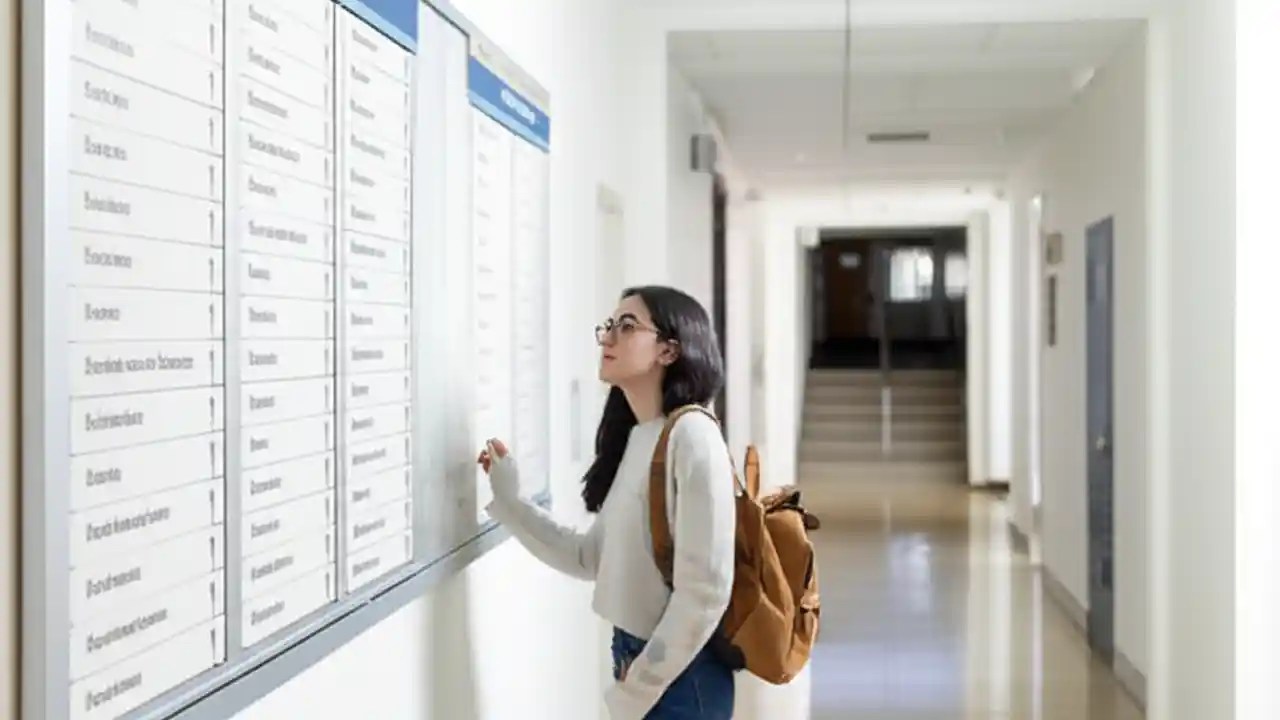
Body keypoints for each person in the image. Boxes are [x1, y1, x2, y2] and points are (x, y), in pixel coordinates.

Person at [477, 285, 737, 719]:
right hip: (641, 663)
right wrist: (511, 502)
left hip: (680, 679)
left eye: (628, 326)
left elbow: (706, 591)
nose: (609, 337)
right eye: (609, 325)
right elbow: (588, 556)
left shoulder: (693, 436)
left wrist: (636, 691)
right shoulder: (642, 436)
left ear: (669, 351)